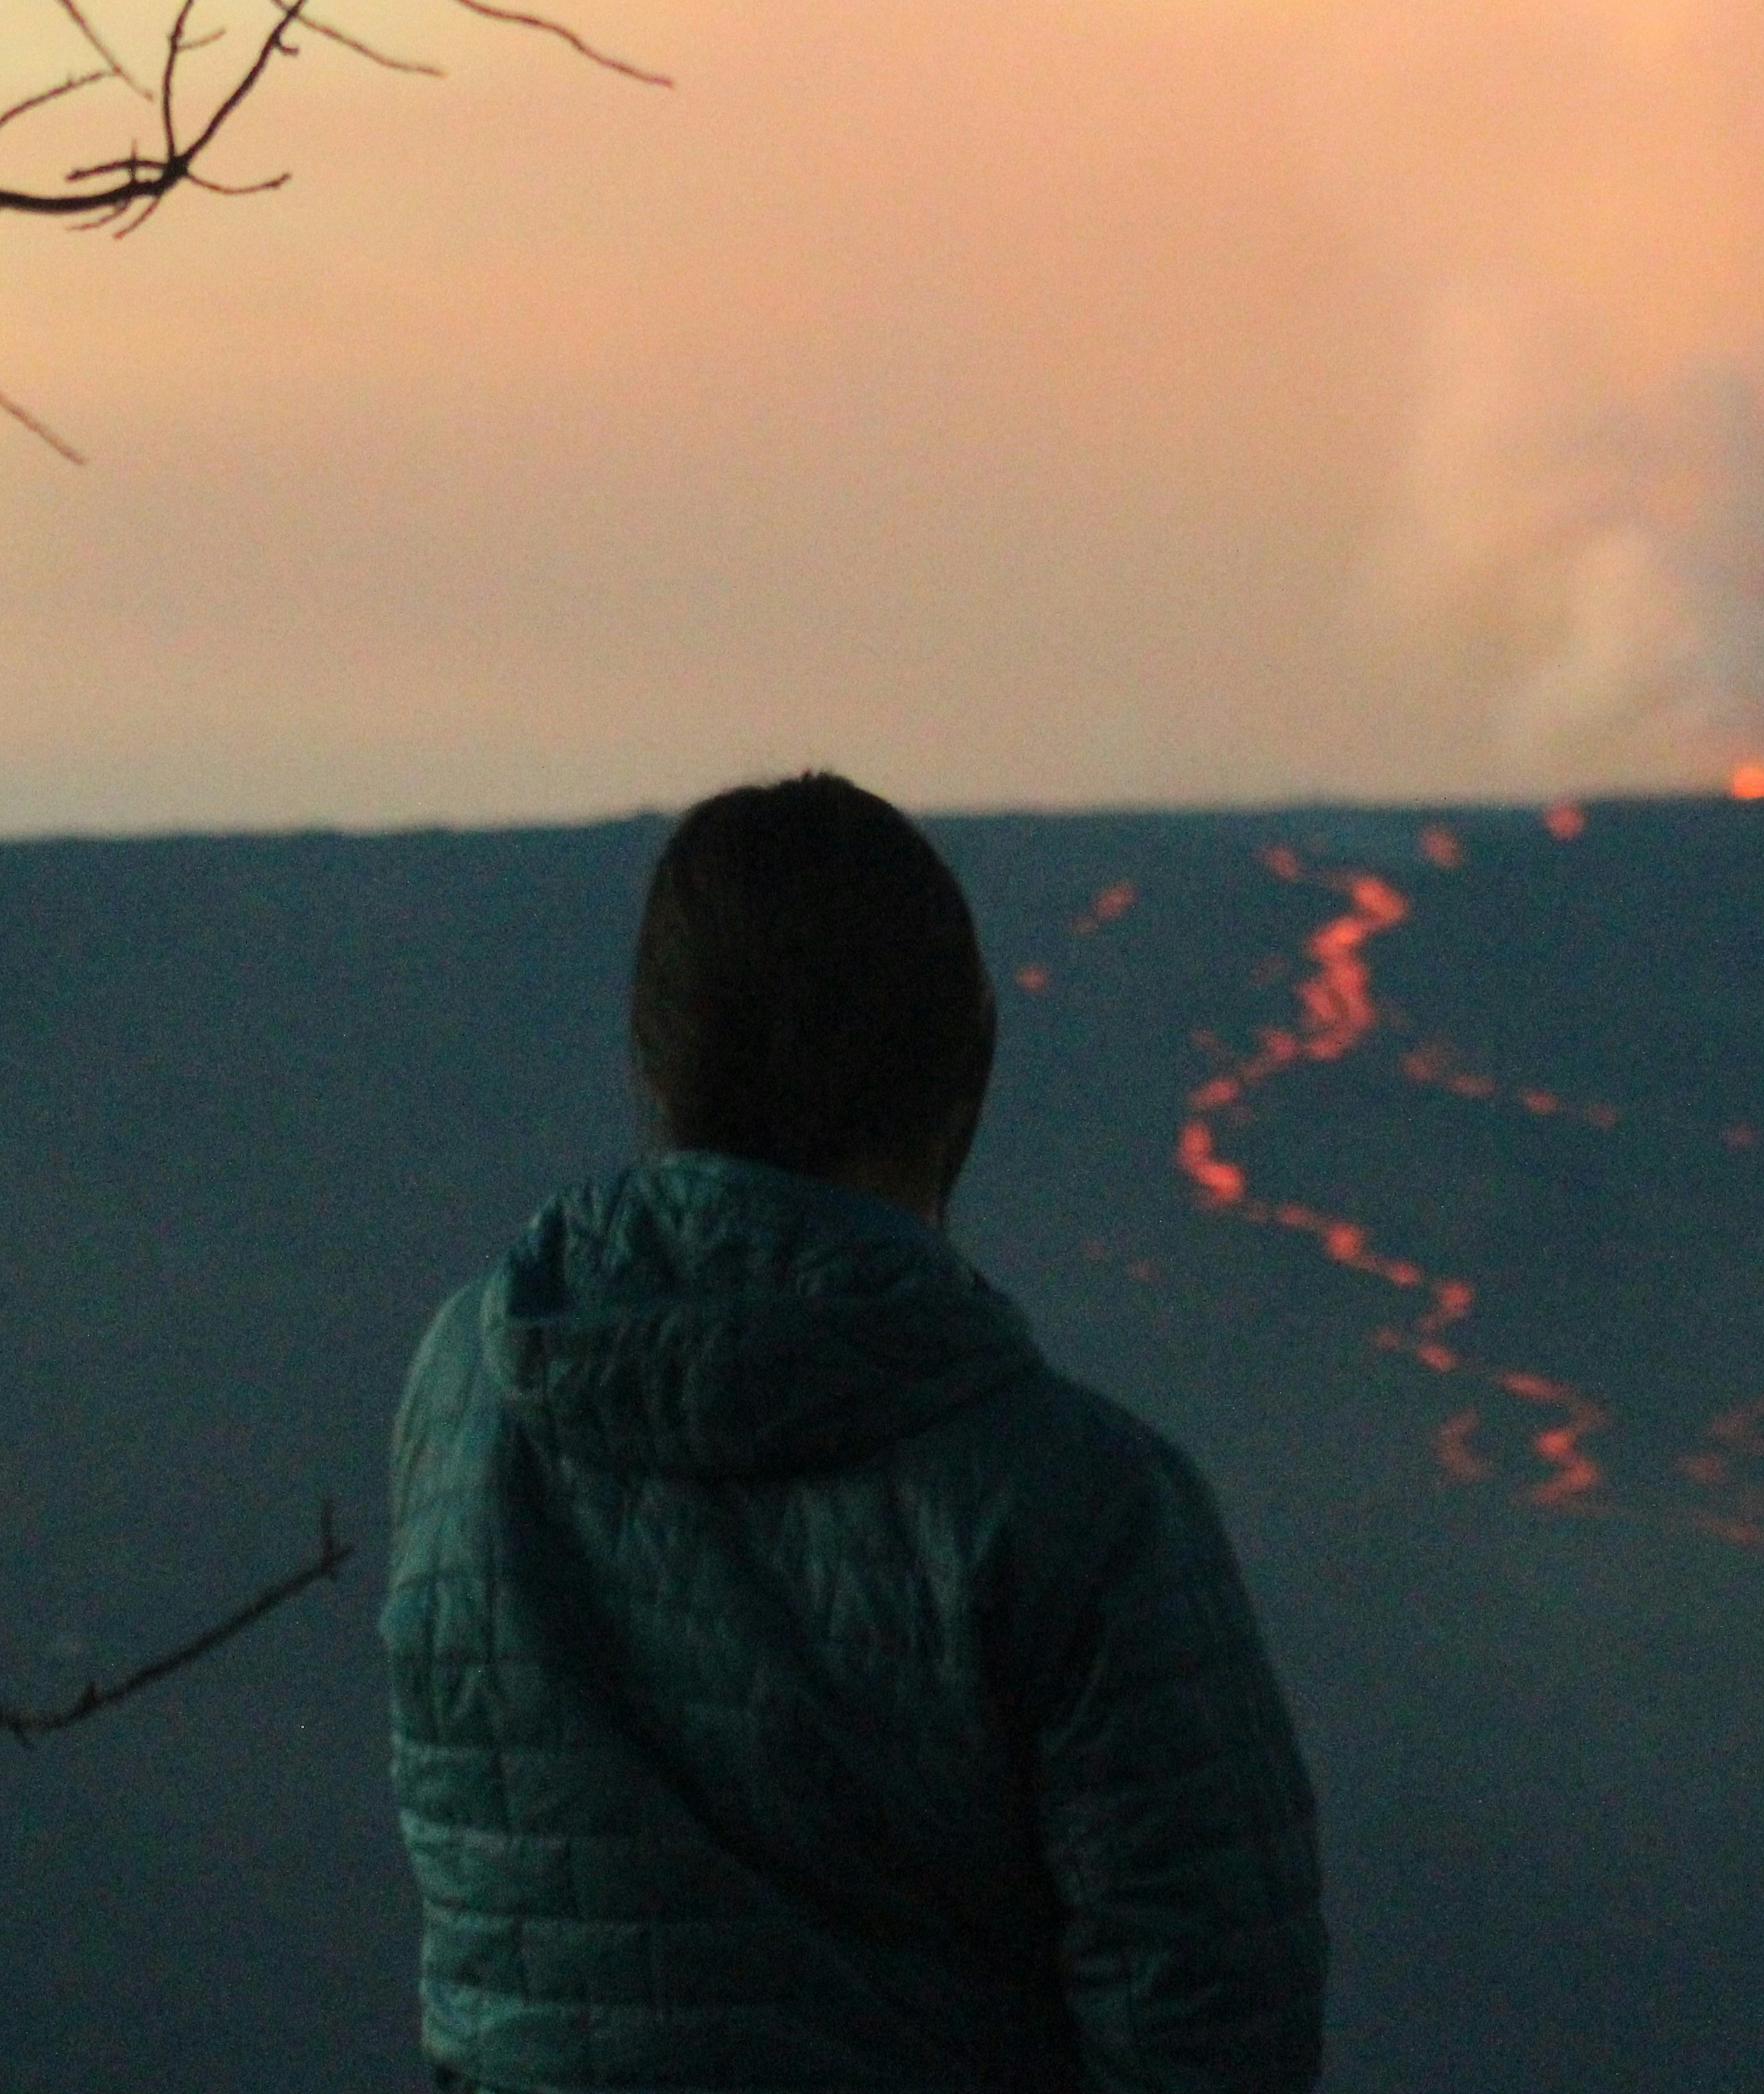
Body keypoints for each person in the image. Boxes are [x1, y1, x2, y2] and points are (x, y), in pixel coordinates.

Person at [386, 773, 1326, 2091]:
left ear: (655, 1064)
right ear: (967, 1064)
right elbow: (1214, 2029)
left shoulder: (466, 1388)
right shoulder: (1079, 1507)